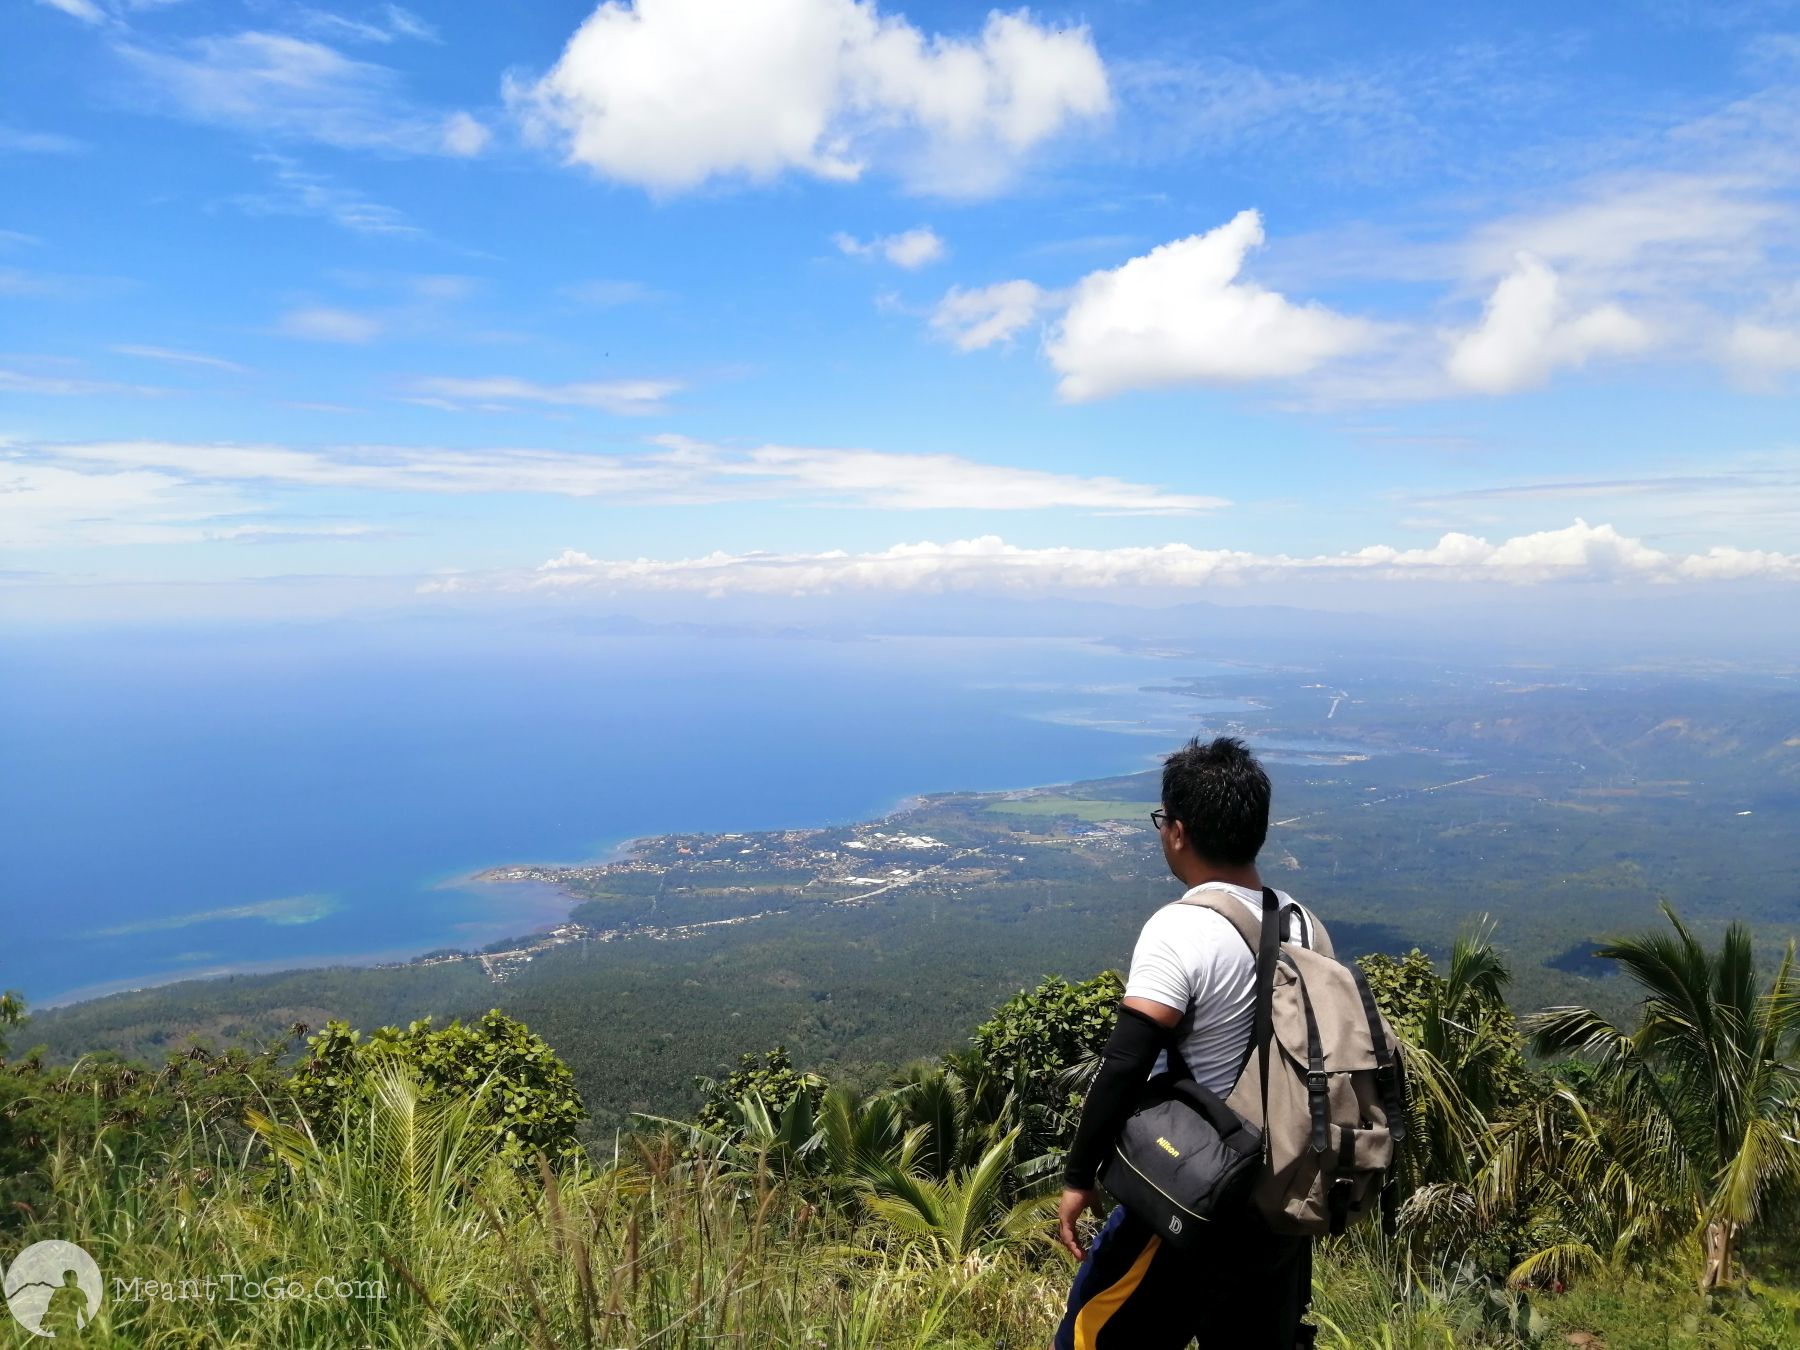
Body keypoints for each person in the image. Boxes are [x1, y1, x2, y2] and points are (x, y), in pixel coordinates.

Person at [1053, 736, 1315, 1350]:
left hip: (1197, 1193)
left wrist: (1078, 1175)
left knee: (1089, 1338)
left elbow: (1126, 1060)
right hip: (1283, 1197)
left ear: (1178, 830)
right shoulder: (1301, 919)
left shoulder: (1182, 925)